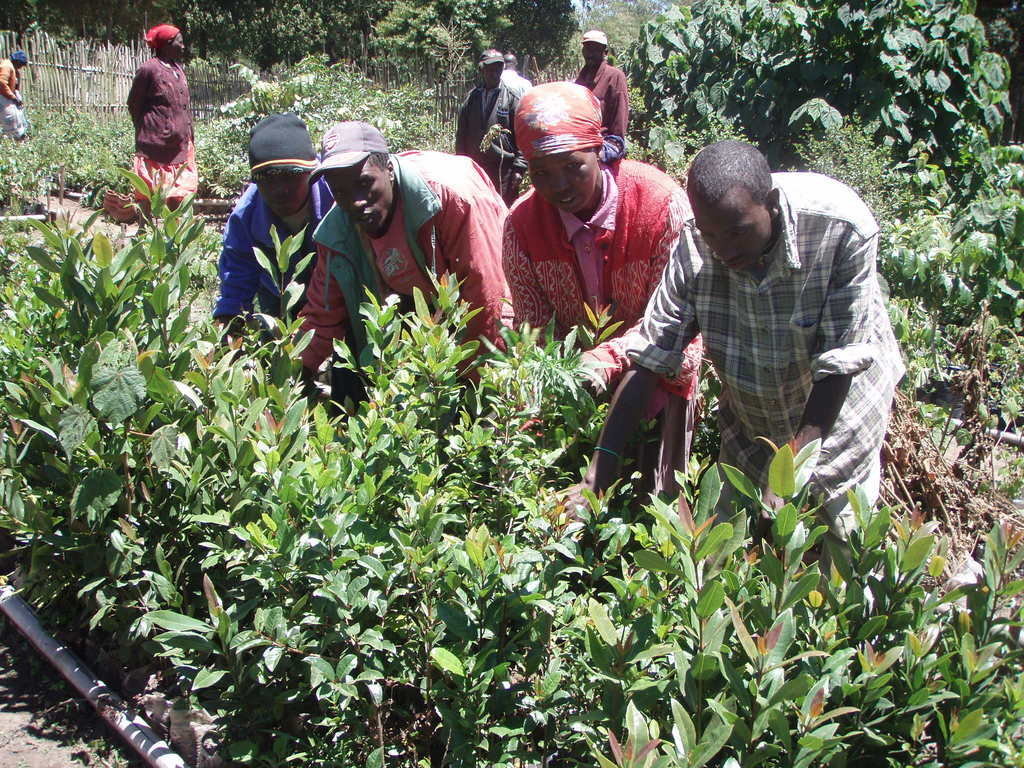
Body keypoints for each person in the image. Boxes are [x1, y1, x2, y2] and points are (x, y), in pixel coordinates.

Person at [579, 140, 904, 552]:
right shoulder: (697, 244)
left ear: (769, 203)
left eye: (737, 231)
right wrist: (599, 470)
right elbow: (649, 358)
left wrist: (789, 473)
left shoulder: (839, 228)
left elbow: (839, 362)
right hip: (752, 418)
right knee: (725, 550)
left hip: (837, 419)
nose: (724, 249)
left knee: (841, 551)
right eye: (711, 232)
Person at [503, 82, 703, 496]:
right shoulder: (521, 227)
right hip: (577, 397)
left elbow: (678, 332)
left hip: (658, 385)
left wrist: (608, 359)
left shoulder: (661, 206)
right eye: (541, 172)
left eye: (572, 166)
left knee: (657, 517)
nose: (559, 187)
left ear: (600, 150)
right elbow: (535, 334)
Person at [298, 121, 511, 403]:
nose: (355, 202)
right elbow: (322, 316)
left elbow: (486, 299)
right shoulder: (338, 228)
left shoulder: (450, 197)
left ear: (388, 169)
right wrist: (285, 384)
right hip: (419, 314)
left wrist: (479, 395)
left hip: (475, 309)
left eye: (365, 184)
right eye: (341, 192)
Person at [213, 114, 333, 325]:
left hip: (337, 292)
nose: (280, 190)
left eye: (291, 174)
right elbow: (236, 287)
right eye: (265, 177)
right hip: (278, 295)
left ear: (312, 172)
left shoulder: (337, 197)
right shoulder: (246, 217)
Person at [126, 24, 196, 211]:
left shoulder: (177, 69)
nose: (183, 46)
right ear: (167, 44)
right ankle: (145, 232)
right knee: (149, 192)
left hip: (179, 143)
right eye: (179, 42)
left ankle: (174, 234)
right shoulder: (148, 70)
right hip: (154, 144)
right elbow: (134, 104)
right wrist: (148, 128)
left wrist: (189, 132)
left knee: (179, 193)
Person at [455, 49, 526, 206]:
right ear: (482, 70)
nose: (495, 73)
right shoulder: (472, 99)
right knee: (480, 210)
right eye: (490, 69)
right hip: (476, 169)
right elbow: (461, 134)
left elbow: (522, 135)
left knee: (504, 211)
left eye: (498, 69)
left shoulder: (511, 98)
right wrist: (460, 164)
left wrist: (519, 168)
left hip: (503, 170)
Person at [574, 30, 629, 163]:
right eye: (587, 49)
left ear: (605, 52)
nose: (590, 54)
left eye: (595, 49)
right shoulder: (580, 80)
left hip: (605, 141)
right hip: (581, 140)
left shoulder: (615, 76)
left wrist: (614, 144)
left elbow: (620, 117)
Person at [0, 50, 29, 140]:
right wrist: (12, 97)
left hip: (4, 96)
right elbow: (1, 83)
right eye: (20, 65)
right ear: (16, 61)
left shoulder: (10, 66)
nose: (20, 68)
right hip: (3, 96)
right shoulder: (6, 66)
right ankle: (14, 139)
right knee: (10, 117)